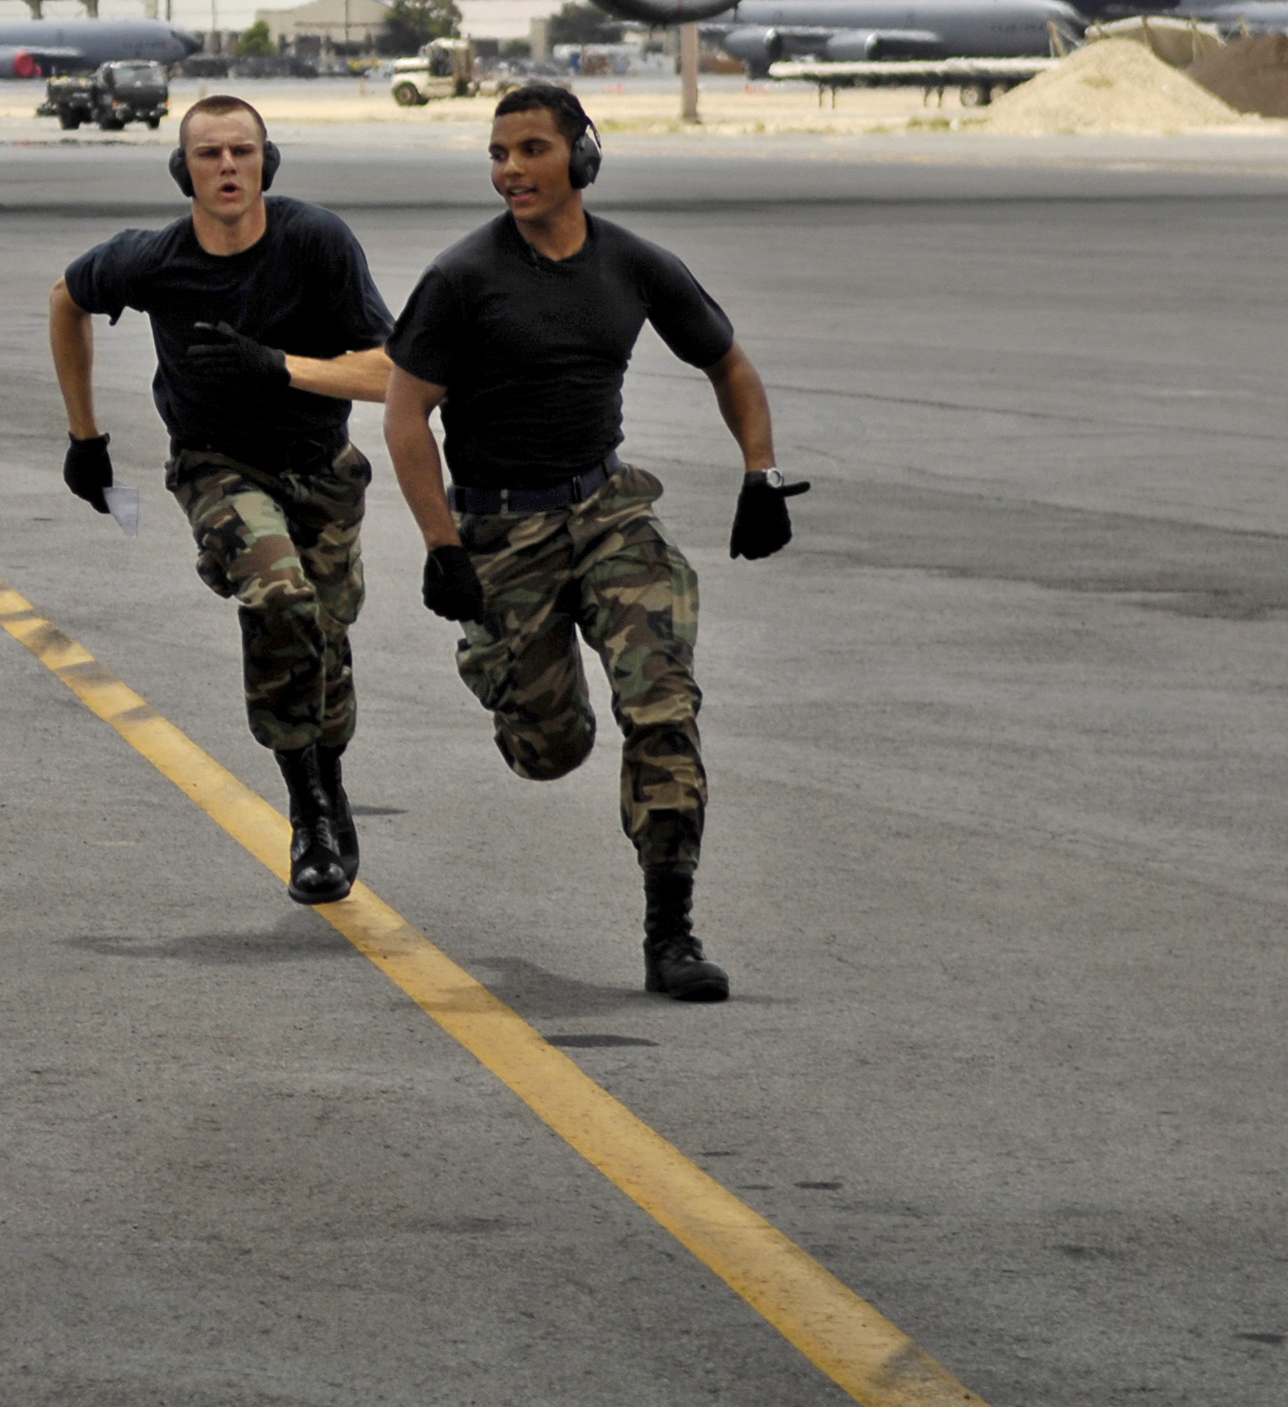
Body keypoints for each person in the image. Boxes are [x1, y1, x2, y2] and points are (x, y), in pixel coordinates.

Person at [380, 81, 802, 1002]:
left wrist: (758, 473)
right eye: (497, 154)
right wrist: (441, 544)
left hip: (607, 509)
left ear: (582, 153)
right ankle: (508, 679)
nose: (509, 171)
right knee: (550, 750)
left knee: (661, 706)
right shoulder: (461, 278)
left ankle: (670, 933)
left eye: (530, 150)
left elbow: (725, 361)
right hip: (500, 525)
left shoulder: (634, 264)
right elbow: (406, 413)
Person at [50, 93, 396, 903]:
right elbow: (65, 300)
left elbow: (390, 371)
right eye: (209, 154)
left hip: (321, 467)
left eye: (242, 152)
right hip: (216, 467)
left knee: (324, 640)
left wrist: (276, 367)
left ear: (265, 163)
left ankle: (327, 777)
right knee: (279, 599)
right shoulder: (150, 258)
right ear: (184, 171)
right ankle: (307, 813)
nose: (228, 167)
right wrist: (84, 438)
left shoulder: (316, 241)